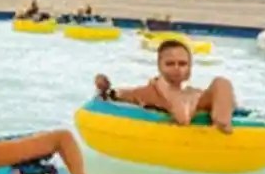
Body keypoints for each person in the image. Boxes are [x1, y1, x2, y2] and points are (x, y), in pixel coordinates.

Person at [94, 39, 237, 134]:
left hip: (196, 111)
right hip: (171, 113)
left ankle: (222, 124)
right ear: (159, 66)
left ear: (190, 67)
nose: (177, 68)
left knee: (221, 82)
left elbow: (227, 100)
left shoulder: (194, 92)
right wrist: (104, 86)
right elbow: (117, 94)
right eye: (170, 64)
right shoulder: (148, 92)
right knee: (180, 102)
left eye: (182, 64)